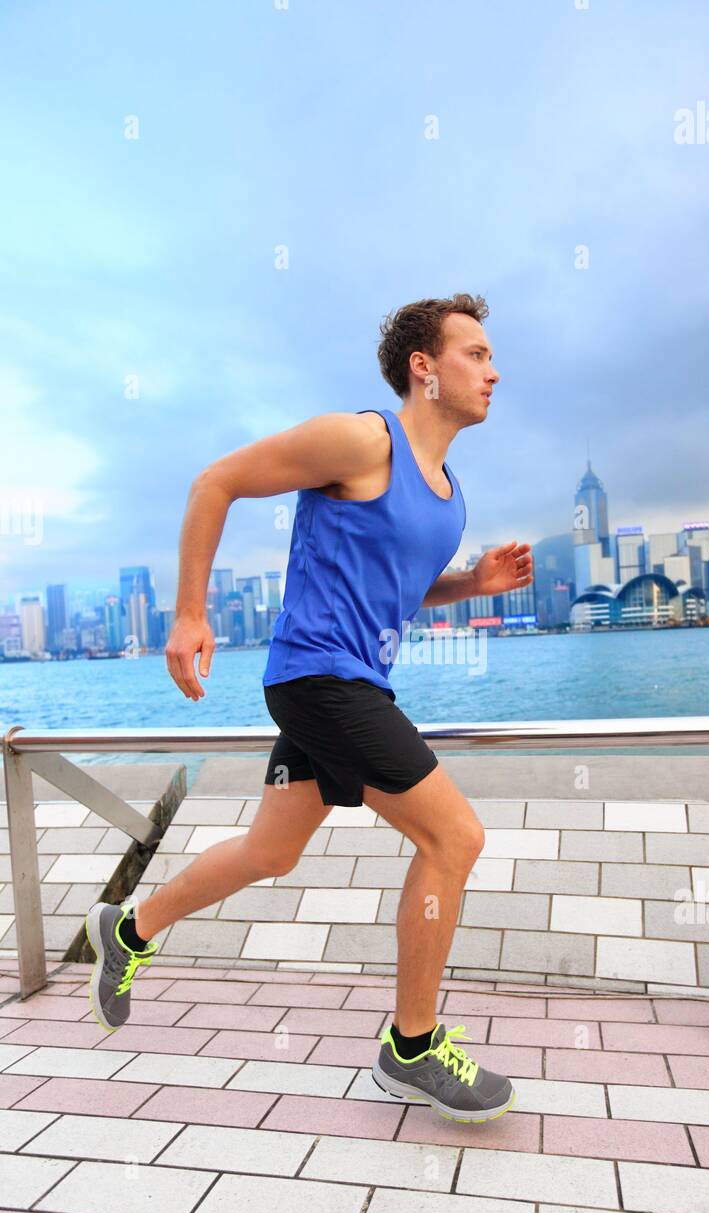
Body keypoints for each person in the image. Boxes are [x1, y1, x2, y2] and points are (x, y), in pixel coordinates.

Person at [86, 293, 533, 1124]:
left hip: (352, 682)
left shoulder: (449, 497)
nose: (493, 368)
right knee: (455, 836)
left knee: (270, 851)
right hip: (321, 680)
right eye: (475, 353)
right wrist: (189, 613)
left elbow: (397, 590)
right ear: (423, 368)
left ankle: (130, 930)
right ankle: (411, 1046)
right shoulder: (362, 440)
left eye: (491, 354)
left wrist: (473, 584)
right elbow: (214, 481)